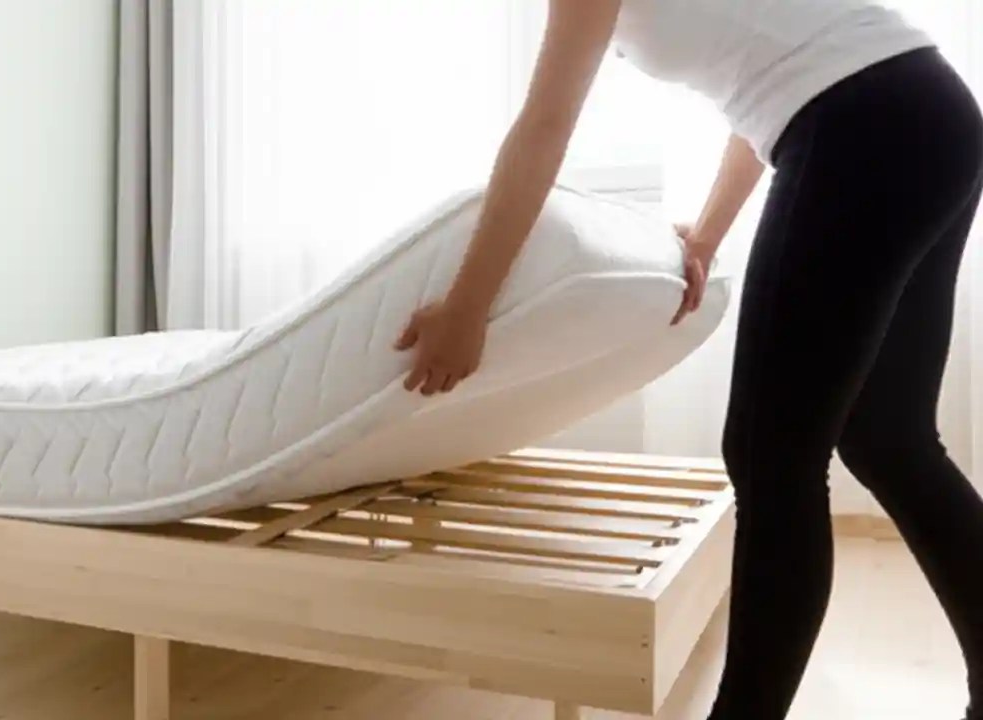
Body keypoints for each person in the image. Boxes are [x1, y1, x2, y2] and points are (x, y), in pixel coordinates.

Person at [394, 1, 983, 718]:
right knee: (890, 438)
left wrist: (467, 308)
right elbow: (769, 91)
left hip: (864, 128)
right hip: (932, 113)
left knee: (774, 462)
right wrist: (703, 237)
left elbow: (545, 127)